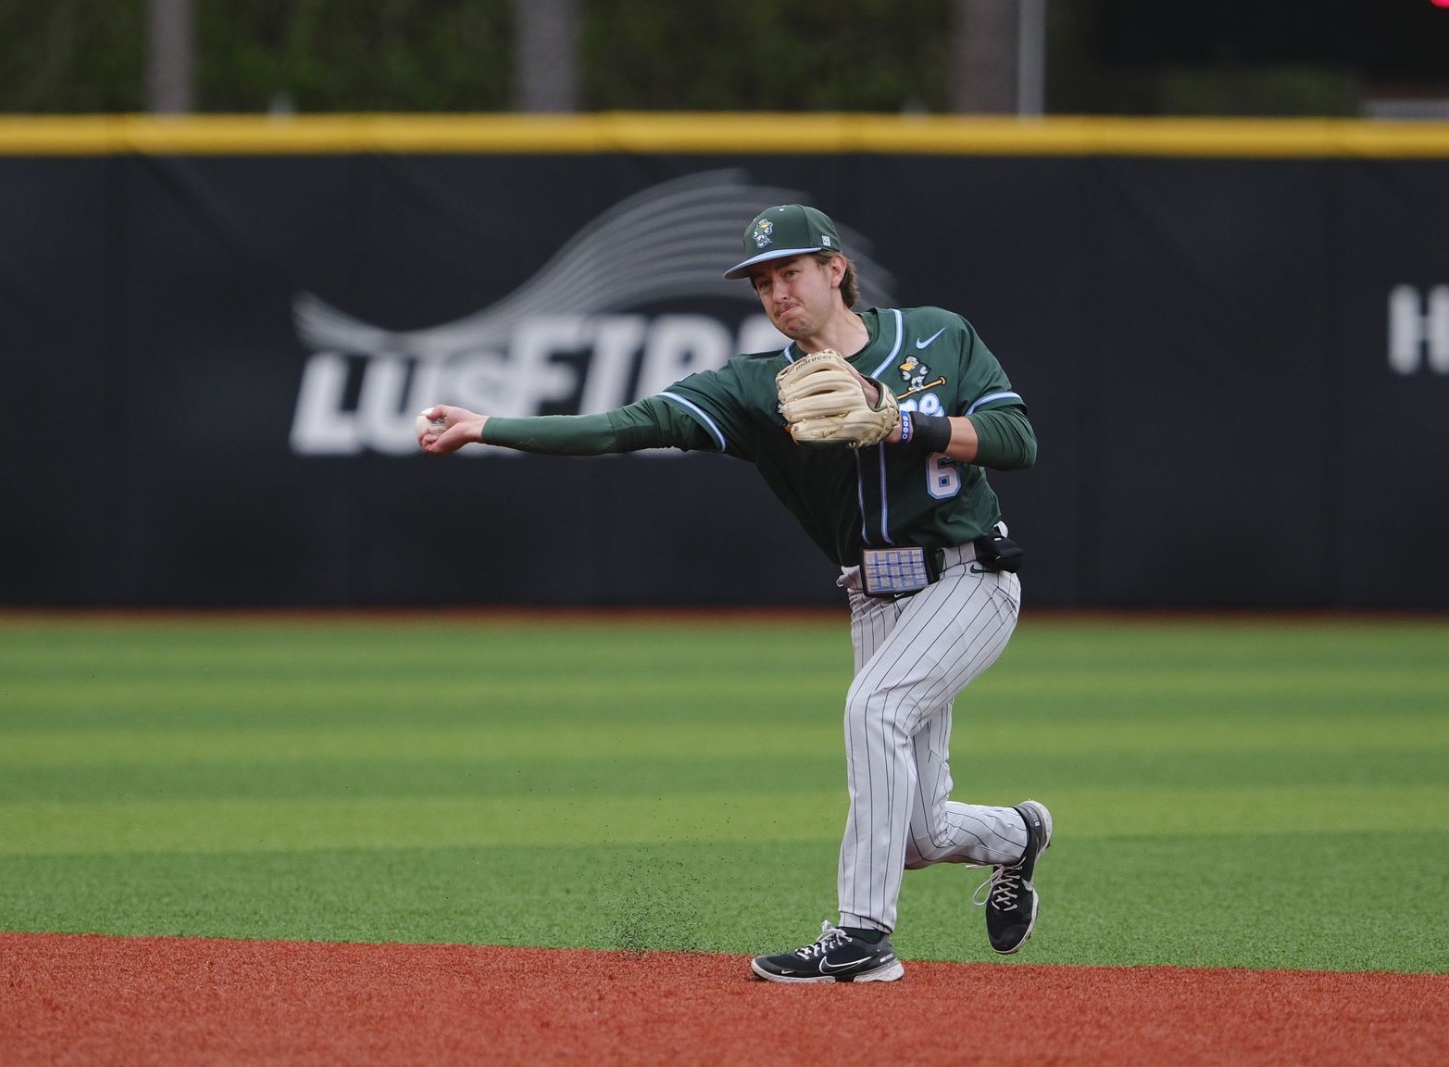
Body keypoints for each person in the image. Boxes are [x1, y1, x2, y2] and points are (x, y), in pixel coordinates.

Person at [418, 203, 1051, 983]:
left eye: (790, 271)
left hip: (969, 577)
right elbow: (627, 424)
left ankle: (862, 939)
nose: (777, 291)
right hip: (874, 599)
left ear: (834, 269)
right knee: (917, 835)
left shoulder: (936, 335)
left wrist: (901, 425)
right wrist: (489, 425)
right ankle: (1018, 836)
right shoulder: (758, 388)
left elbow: (1019, 440)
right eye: (762, 281)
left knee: (874, 707)